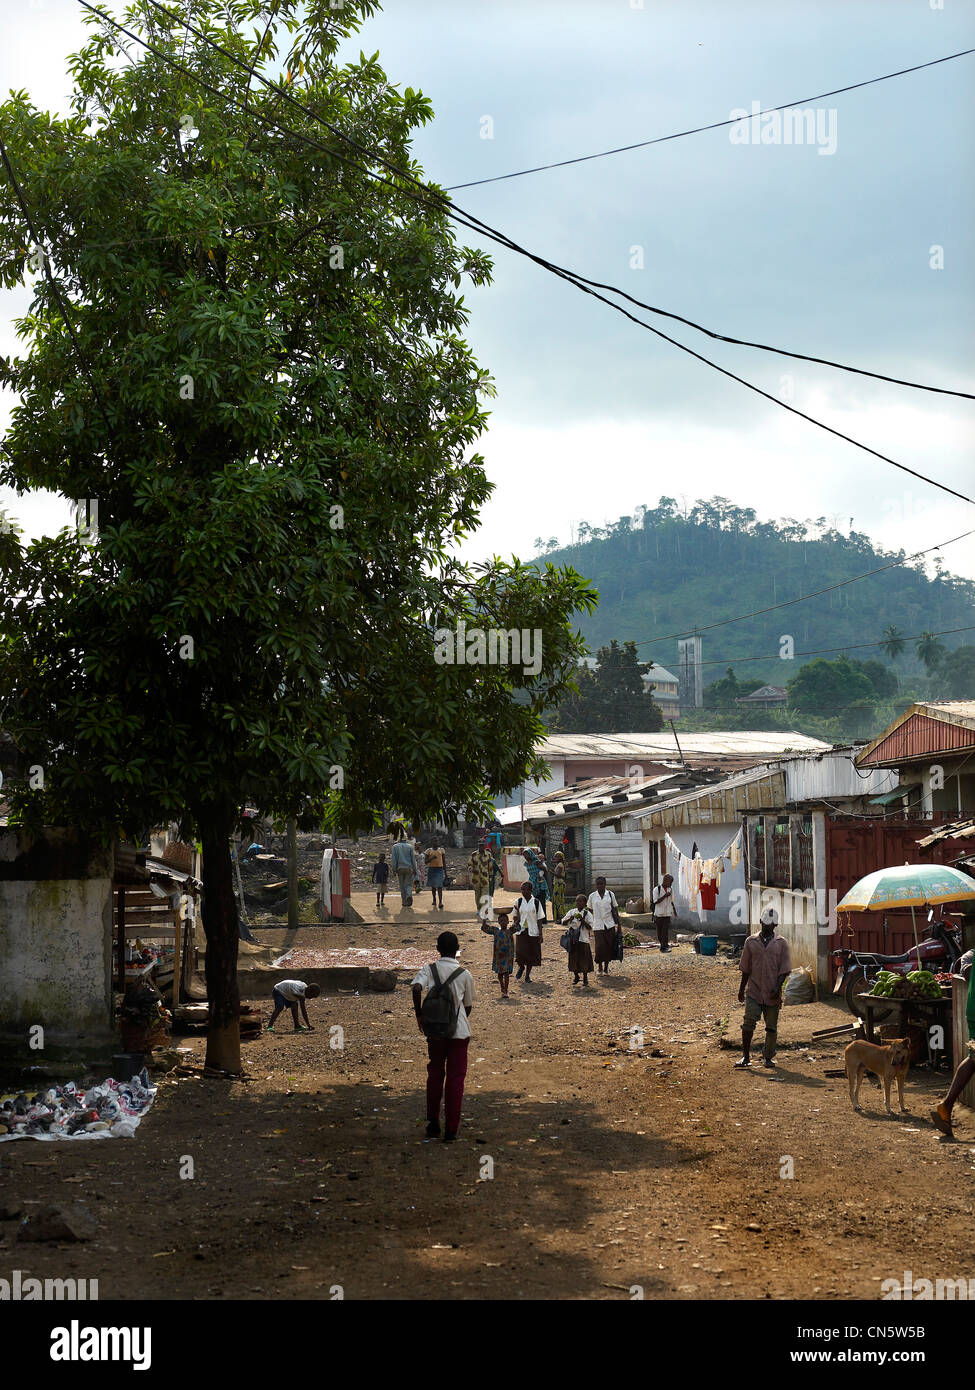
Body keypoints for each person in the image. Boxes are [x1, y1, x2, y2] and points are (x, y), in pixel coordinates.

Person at [411, 931, 475, 1142]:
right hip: (459, 1034)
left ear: (437, 949)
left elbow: (416, 987)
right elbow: (467, 1007)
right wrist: (454, 1020)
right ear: (457, 949)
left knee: (435, 1075)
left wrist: (419, 1014)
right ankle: (451, 1129)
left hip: (435, 1033)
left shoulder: (429, 969)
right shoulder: (465, 974)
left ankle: (432, 1123)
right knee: (456, 1080)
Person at [735, 908, 792, 1069]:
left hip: (772, 992)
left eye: (771, 922)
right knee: (748, 1024)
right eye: (766, 921)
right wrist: (741, 989)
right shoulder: (750, 942)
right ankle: (745, 1057)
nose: (768, 925)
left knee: (771, 1027)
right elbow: (745, 968)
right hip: (754, 990)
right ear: (761, 922)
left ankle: (768, 1056)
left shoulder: (781, 943)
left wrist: (777, 986)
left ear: (776, 924)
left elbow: (784, 969)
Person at [930, 952, 975, 1138]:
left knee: (973, 1058)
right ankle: (946, 1106)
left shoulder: (970, 955)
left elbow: (964, 971)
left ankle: (946, 1106)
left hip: (972, 1010)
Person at [513, 880, 545, 982]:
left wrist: (540, 933)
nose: (523, 891)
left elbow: (539, 919)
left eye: (525, 889)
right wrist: (516, 920)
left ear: (531, 890)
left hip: (533, 930)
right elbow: (515, 916)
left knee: (531, 953)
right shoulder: (518, 902)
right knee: (519, 952)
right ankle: (521, 967)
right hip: (521, 930)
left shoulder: (536, 902)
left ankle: (527, 975)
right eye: (522, 889)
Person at [481, 909, 517, 998]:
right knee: (500, 974)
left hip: (508, 957)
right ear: (498, 922)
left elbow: (517, 924)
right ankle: (502, 987)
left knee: (506, 974)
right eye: (501, 921)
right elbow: (484, 927)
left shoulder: (510, 930)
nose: (503, 922)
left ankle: (506, 990)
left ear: (508, 922)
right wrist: (485, 916)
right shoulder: (495, 931)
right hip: (499, 957)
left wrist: (517, 912)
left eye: (505, 920)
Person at [587, 876, 620, 975]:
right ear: (595, 885)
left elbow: (615, 909)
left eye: (601, 884)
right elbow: (590, 909)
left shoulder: (610, 894)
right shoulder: (592, 896)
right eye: (598, 884)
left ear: (605, 884)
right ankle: (599, 967)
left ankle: (606, 968)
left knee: (609, 946)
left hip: (609, 924)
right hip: (597, 925)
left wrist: (619, 925)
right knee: (599, 946)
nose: (600, 886)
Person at [561, 893, 594, 986]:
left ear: (585, 903)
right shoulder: (572, 912)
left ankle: (585, 978)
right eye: (577, 901)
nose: (578, 903)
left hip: (583, 939)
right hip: (573, 939)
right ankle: (576, 976)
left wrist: (583, 921)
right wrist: (569, 919)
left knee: (584, 959)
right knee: (573, 958)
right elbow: (563, 922)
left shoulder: (587, 914)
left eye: (580, 901)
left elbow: (591, 927)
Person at [468, 844, 500, 917]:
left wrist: (491, 877)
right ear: (478, 846)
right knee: (477, 896)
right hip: (476, 879)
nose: (481, 847)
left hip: (485, 878)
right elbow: (469, 864)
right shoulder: (474, 854)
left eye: (482, 845)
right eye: (480, 845)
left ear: (484, 846)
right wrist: (472, 869)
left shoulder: (488, 855)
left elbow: (490, 867)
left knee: (485, 895)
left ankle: (484, 910)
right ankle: (479, 909)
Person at [652, 872, 676, 953]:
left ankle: (664, 947)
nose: (671, 884)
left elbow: (672, 901)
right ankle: (663, 945)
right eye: (670, 882)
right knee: (659, 932)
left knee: (665, 931)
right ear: (665, 880)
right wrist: (665, 896)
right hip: (659, 914)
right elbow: (655, 902)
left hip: (667, 913)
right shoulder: (656, 889)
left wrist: (674, 911)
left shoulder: (671, 889)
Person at [390, 835, 418, 907]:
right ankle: (409, 895)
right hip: (408, 868)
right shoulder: (410, 847)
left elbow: (394, 859)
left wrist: (393, 869)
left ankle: (404, 902)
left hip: (399, 868)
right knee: (408, 884)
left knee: (402, 885)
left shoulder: (395, 847)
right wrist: (415, 869)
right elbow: (413, 860)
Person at [425, 840, 447, 910]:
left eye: (437, 842)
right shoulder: (428, 851)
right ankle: (434, 900)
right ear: (432, 843)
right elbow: (425, 861)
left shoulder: (441, 850)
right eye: (434, 842)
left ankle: (440, 902)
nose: (435, 843)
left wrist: (446, 873)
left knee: (440, 886)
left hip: (439, 869)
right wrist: (431, 858)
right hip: (432, 869)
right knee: (433, 886)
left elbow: (444, 861)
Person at [551, 850, 567, 921]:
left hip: (559, 884)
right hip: (559, 884)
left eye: (558, 856)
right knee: (558, 900)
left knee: (558, 901)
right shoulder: (560, 864)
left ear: (561, 858)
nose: (556, 857)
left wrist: (551, 872)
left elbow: (559, 875)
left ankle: (560, 917)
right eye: (555, 856)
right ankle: (560, 917)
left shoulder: (560, 865)